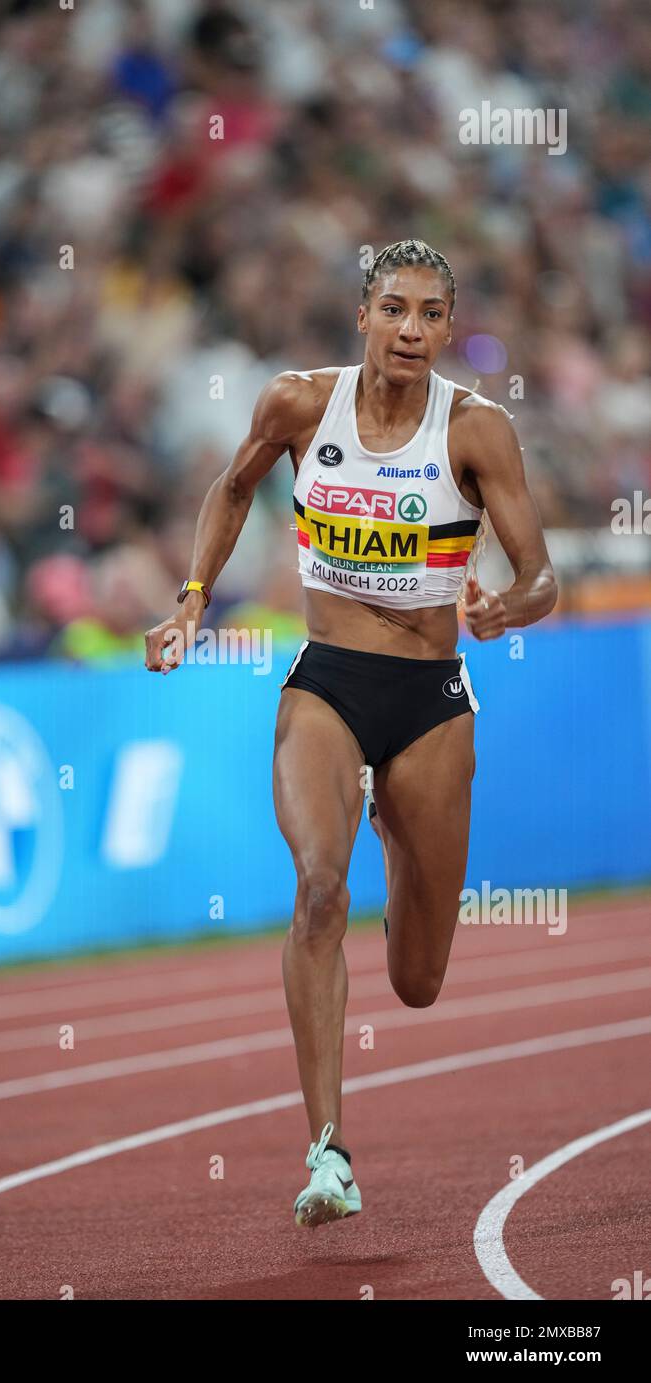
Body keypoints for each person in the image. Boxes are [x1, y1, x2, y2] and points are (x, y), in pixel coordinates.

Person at [144, 240, 557, 1228]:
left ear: (447, 330)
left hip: (427, 698)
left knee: (416, 981)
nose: (410, 329)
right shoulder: (296, 403)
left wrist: (507, 606)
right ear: (361, 317)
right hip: (325, 680)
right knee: (316, 888)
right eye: (393, 309)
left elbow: (541, 572)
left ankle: (394, 836)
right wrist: (193, 599)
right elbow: (234, 488)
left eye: (429, 314)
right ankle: (326, 1149)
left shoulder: (476, 429)